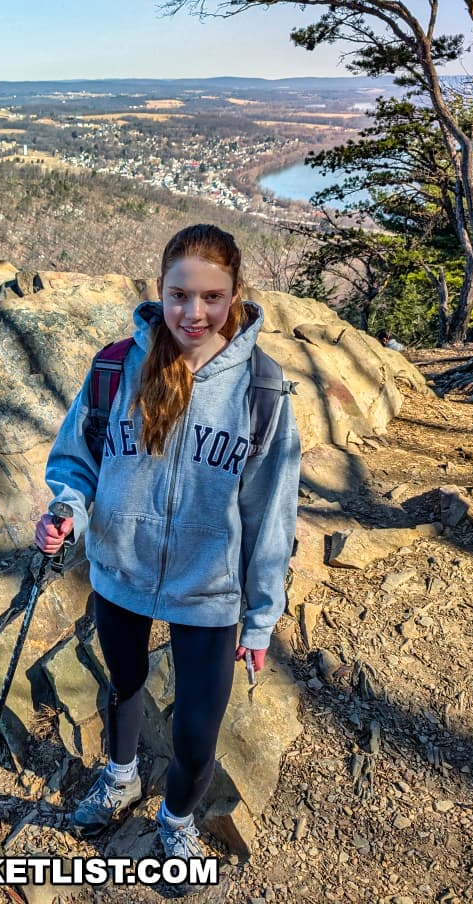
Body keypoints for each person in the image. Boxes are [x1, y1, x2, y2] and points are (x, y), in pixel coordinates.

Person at [34, 224, 301, 862]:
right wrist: (67, 509)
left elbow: (271, 514)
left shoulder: (261, 388)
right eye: (180, 295)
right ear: (160, 289)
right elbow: (77, 461)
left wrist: (261, 619)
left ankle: (176, 821)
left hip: (209, 589)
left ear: (236, 295)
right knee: (124, 686)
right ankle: (121, 776)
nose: (194, 313)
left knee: (197, 735)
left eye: (212, 297)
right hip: (120, 571)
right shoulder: (115, 368)